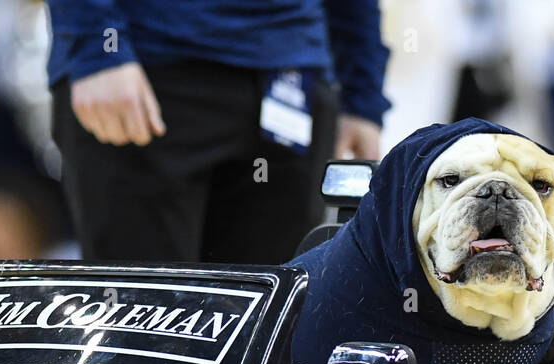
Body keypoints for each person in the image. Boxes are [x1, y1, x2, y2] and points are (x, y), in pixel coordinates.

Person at [45, 0, 390, 264]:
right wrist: (96, 45)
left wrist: (361, 91)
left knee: (268, 339)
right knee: (142, 333)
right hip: (149, 70)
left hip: (293, 82)